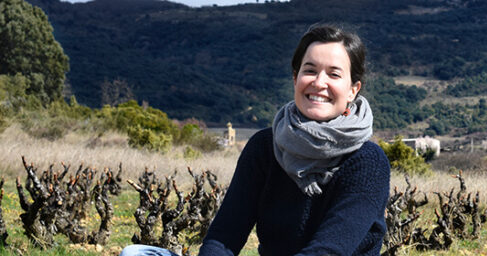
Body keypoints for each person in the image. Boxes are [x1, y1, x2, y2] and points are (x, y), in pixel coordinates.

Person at [121, 24, 390, 256]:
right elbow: (225, 234)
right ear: (295, 78)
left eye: (334, 74)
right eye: (310, 70)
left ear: (353, 89)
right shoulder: (264, 146)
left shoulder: (367, 161)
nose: (319, 82)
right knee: (135, 253)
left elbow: (329, 250)